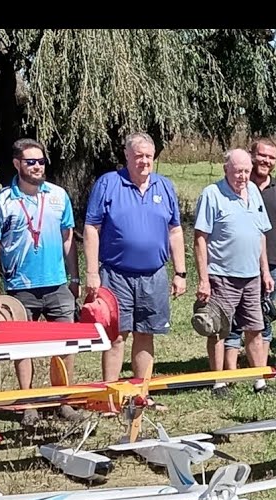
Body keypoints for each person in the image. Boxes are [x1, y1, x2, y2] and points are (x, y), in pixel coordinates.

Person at [0, 138, 82, 427]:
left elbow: (68, 238)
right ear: (17, 164)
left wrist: (74, 277)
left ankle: (64, 401)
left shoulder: (59, 196)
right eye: (30, 162)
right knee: (24, 348)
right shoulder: (1, 201)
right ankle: (28, 403)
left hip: (58, 284)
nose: (37, 166)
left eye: (41, 161)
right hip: (20, 286)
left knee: (66, 346)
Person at [83, 133, 187, 404]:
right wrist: (92, 272)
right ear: (127, 156)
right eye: (138, 155)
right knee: (117, 335)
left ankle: (141, 393)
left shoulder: (164, 187)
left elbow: (175, 230)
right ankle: (109, 396)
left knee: (146, 333)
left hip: (154, 274)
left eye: (148, 156)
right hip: (116, 275)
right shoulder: (108, 184)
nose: (143, 161)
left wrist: (180, 272)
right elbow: (91, 228)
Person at [193, 149, 275, 397]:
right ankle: (218, 382)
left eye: (246, 171)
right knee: (218, 330)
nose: (242, 176)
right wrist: (204, 279)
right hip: (221, 275)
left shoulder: (253, 192)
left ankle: (259, 380)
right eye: (237, 171)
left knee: (255, 329)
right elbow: (200, 239)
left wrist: (265, 271)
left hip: (251, 276)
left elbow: (260, 234)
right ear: (225, 169)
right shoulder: (212, 194)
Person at [224, 138, 276, 361]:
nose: (266, 160)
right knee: (234, 322)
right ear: (251, 155)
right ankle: (229, 373)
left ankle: (258, 371)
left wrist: (268, 253)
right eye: (262, 155)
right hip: (236, 267)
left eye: (272, 157)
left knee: (263, 318)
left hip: (271, 267)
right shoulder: (237, 187)